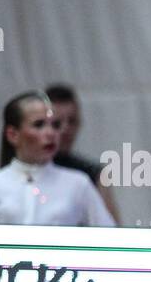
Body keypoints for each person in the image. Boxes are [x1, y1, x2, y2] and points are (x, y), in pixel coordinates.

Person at [0, 90, 115, 227]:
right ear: (13, 135)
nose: (51, 133)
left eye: (55, 125)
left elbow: (109, 239)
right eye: (39, 125)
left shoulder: (78, 184)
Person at [46, 83, 120, 224]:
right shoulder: (25, 174)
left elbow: (112, 230)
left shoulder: (92, 174)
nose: (65, 129)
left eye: (72, 121)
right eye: (56, 123)